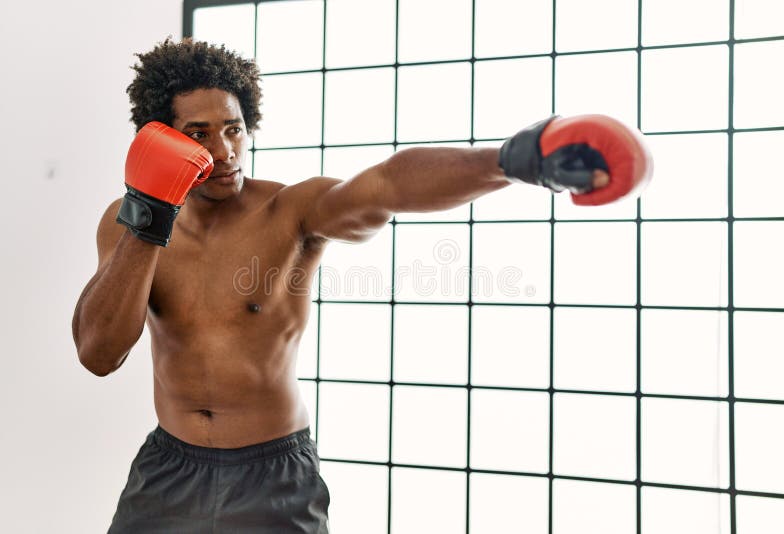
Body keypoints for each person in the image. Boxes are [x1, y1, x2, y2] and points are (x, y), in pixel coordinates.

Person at [71, 38, 651, 533]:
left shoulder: (287, 210)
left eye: (234, 129)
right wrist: (150, 217)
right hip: (168, 471)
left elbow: (383, 188)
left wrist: (513, 160)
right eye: (198, 134)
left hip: (272, 478)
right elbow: (99, 353)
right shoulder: (124, 221)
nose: (224, 152)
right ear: (161, 139)